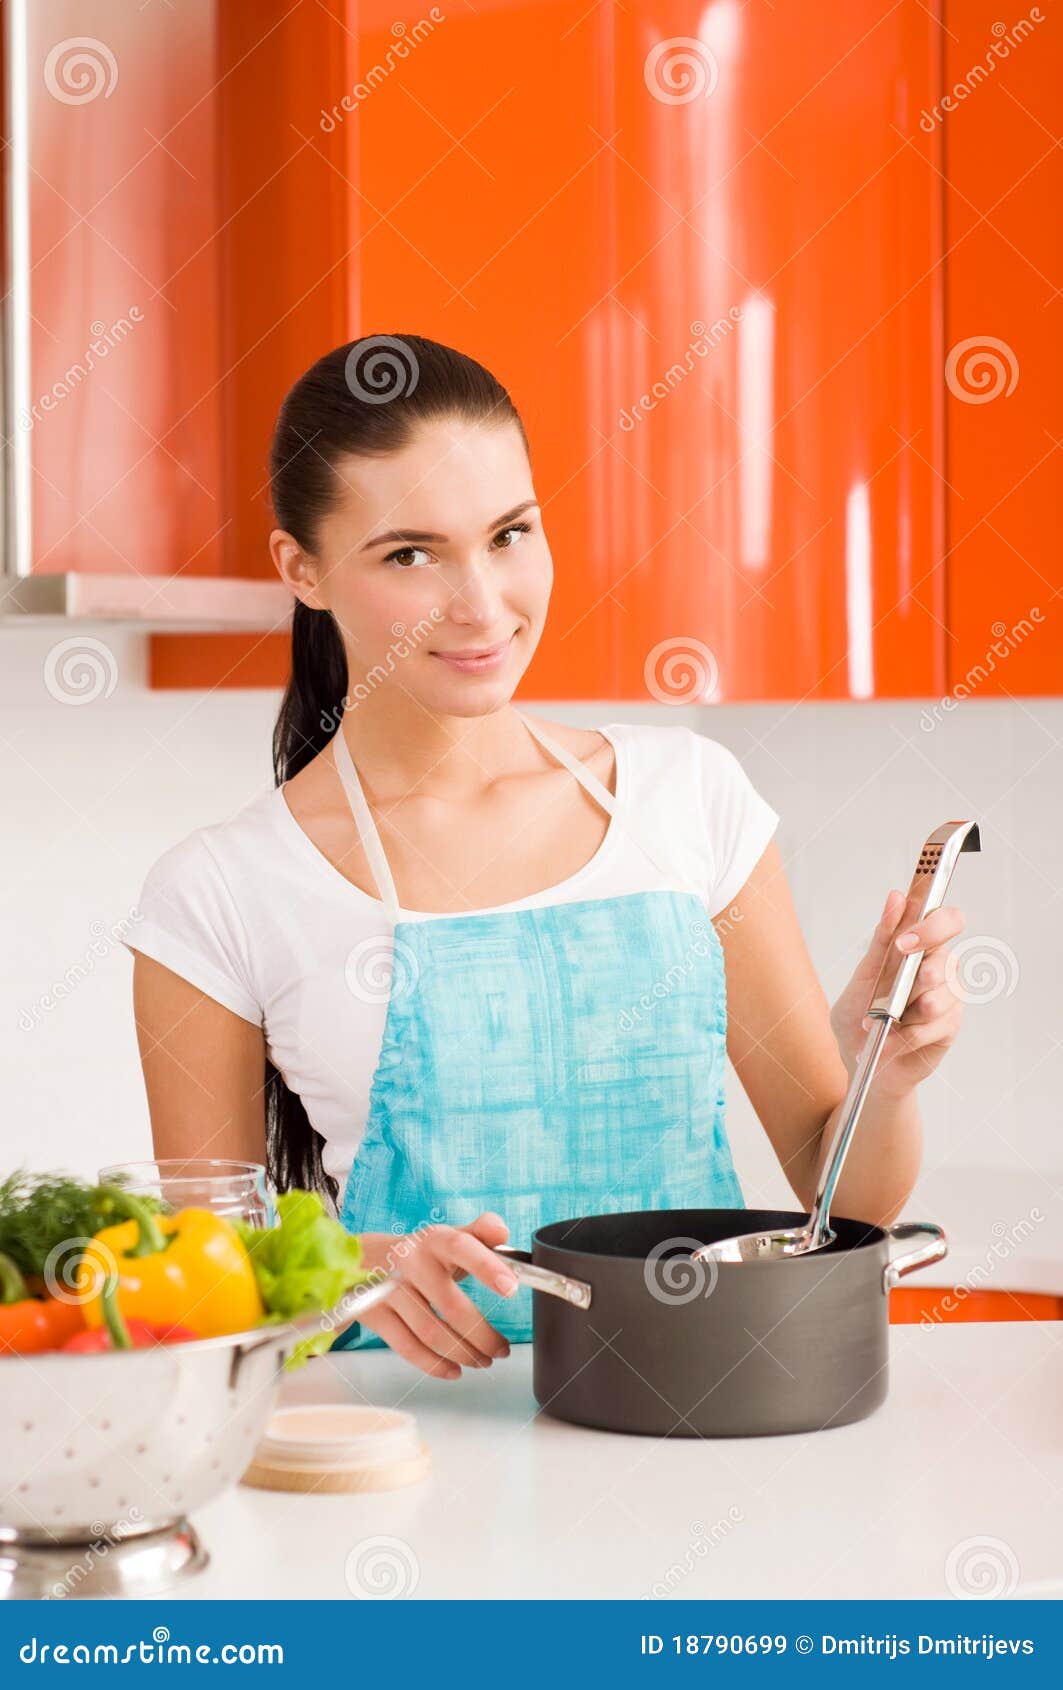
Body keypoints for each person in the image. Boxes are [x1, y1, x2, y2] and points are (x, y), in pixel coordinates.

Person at [123, 333, 967, 1380]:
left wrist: (881, 1077)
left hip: (681, 1417)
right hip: (405, 1456)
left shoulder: (687, 799)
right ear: (302, 569)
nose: (482, 605)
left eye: (509, 534)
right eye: (409, 554)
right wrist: (369, 1263)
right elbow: (203, 1281)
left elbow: (841, 1205)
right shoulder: (219, 892)